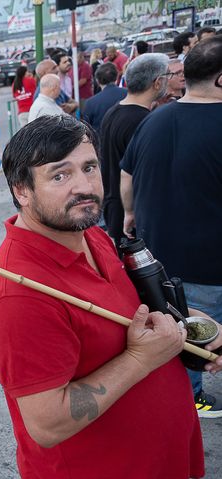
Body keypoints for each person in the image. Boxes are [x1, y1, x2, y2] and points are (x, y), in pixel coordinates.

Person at [0, 113, 222, 479]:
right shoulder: (17, 298)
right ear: (22, 190)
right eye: (59, 175)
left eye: (89, 167)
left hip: (138, 462)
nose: (84, 187)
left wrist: (188, 324)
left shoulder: (85, 230)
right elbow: (47, 422)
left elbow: (130, 306)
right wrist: (144, 359)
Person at [121, 36, 222, 418]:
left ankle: (187, 398)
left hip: (159, 259)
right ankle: (193, 400)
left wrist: (131, 216)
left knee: (181, 334)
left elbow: (125, 179)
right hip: (210, 265)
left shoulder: (154, 120)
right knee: (204, 339)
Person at [99, 53, 169, 254]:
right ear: (157, 82)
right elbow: (141, 175)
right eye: (168, 75)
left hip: (115, 210)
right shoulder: (143, 122)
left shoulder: (114, 112)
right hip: (135, 217)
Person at [81, 62, 126, 137]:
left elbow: (86, 129)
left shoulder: (91, 103)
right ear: (116, 77)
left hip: (102, 143)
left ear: (97, 81)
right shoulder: (129, 94)